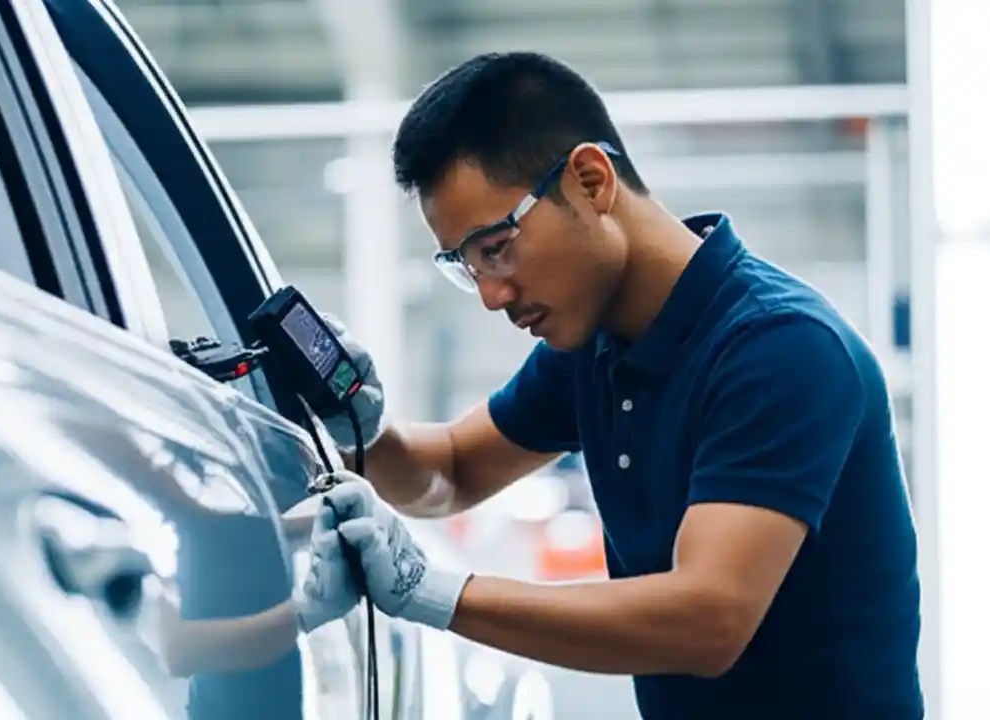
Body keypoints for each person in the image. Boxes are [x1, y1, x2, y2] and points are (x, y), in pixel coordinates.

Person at [301, 51, 924, 719]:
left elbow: (707, 619)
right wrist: (360, 430)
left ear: (592, 180)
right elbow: (452, 469)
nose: (490, 295)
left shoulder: (781, 348)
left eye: (496, 248)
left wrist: (435, 593)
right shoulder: (596, 341)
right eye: (466, 266)